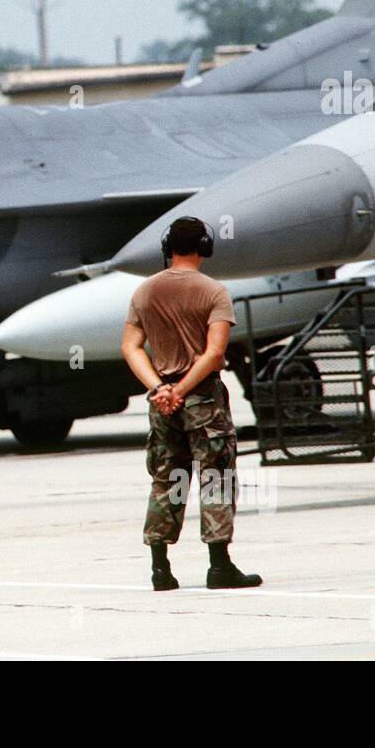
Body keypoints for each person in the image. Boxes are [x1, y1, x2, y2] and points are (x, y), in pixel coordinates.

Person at [121, 217, 261, 592]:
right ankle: (219, 567)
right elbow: (214, 353)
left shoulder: (144, 292)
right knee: (216, 477)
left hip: (162, 401)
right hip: (202, 400)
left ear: (167, 247)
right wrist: (183, 389)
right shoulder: (214, 291)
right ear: (204, 246)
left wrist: (160, 389)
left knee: (167, 480)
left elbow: (130, 347)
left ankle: (160, 571)